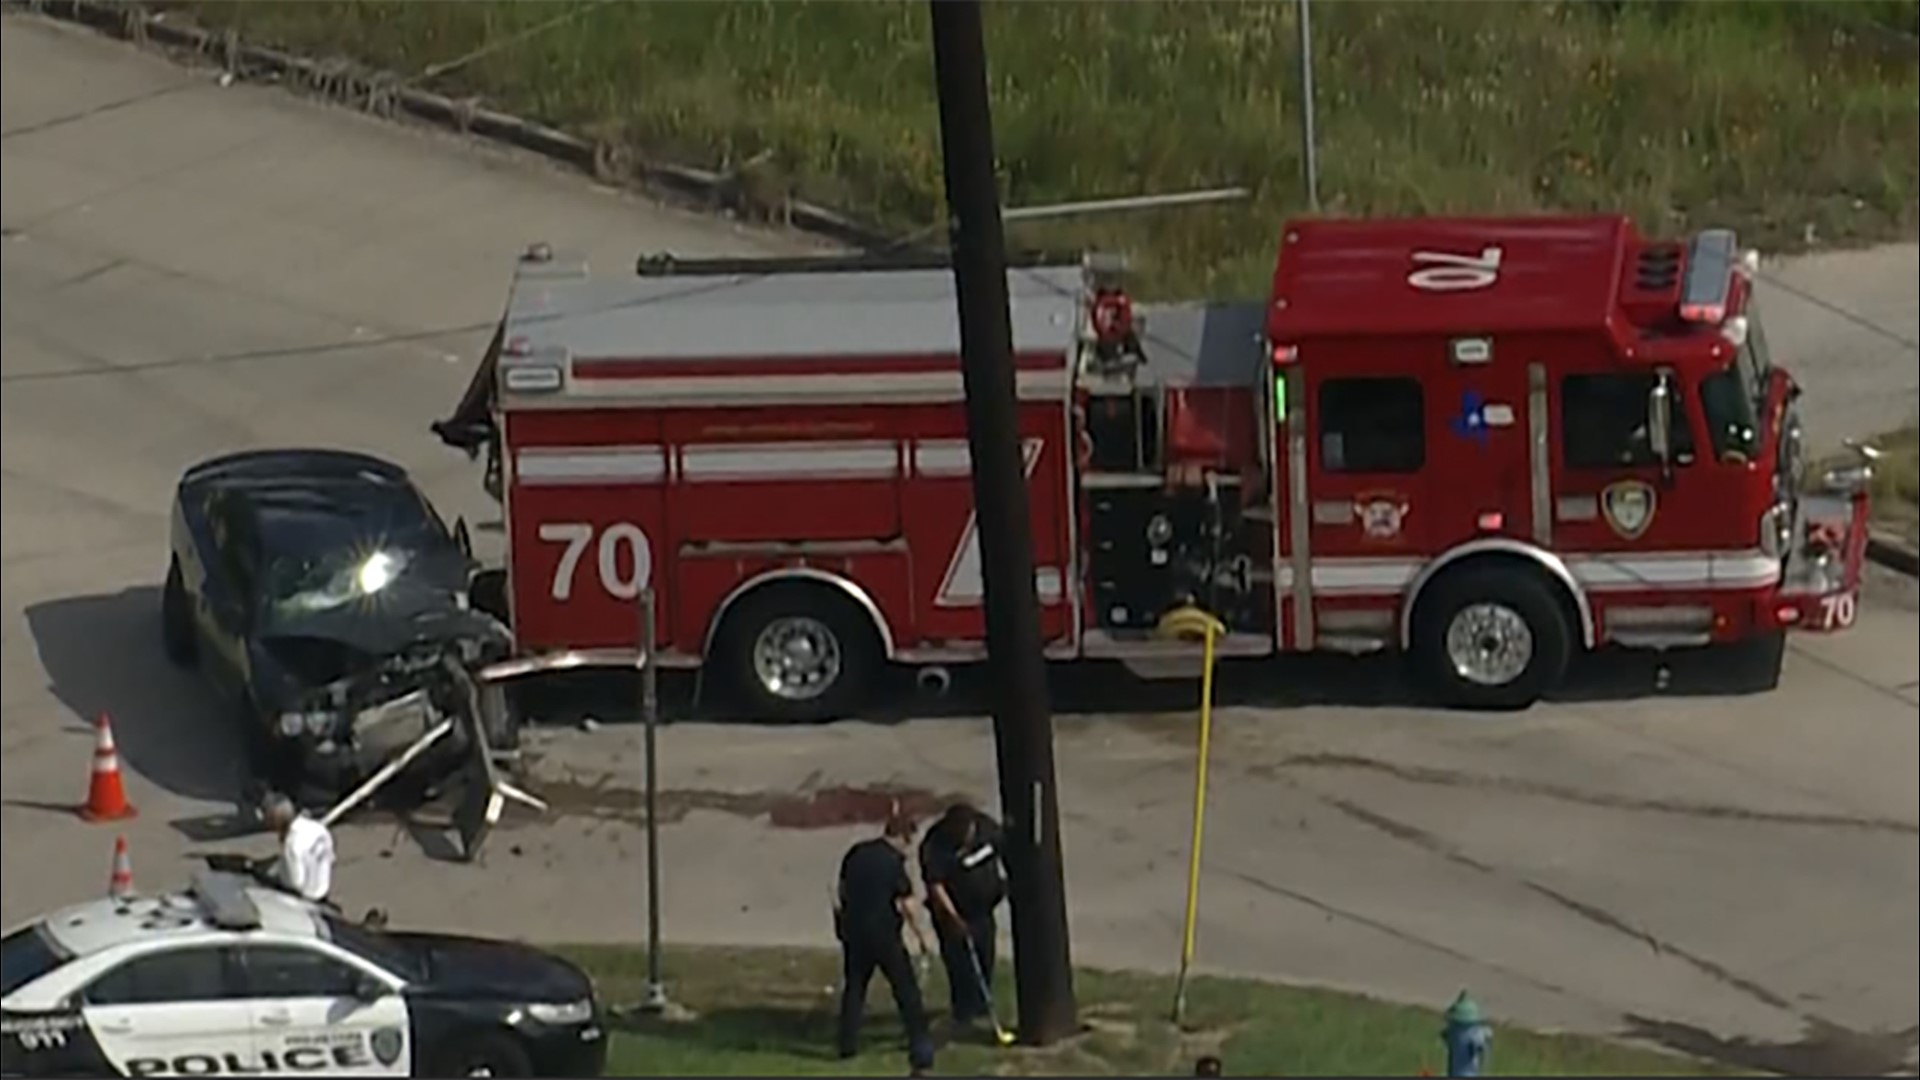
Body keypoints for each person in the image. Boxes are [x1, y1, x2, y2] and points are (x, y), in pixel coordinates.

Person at [834, 813, 935, 1074]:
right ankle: (919, 1042)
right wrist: (923, 939)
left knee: (855, 988)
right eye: (908, 842)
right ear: (903, 837)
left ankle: (847, 1044)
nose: (908, 850)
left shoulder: (856, 854)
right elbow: (906, 904)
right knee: (906, 990)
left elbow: (842, 891)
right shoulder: (893, 863)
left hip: (854, 933)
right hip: (885, 936)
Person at [920, 802, 1007, 1028]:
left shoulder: (988, 831)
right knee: (959, 963)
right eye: (957, 834)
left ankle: (981, 1007)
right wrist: (953, 917)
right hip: (952, 912)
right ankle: (963, 1011)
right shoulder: (935, 843)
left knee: (985, 955)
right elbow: (935, 885)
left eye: (964, 833)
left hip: (982, 909)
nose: (962, 839)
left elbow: (1007, 851)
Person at [260, 794, 335, 906]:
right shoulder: (319, 829)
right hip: (323, 891)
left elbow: (296, 882)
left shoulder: (292, 843)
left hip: (305, 900)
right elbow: (330, 858)